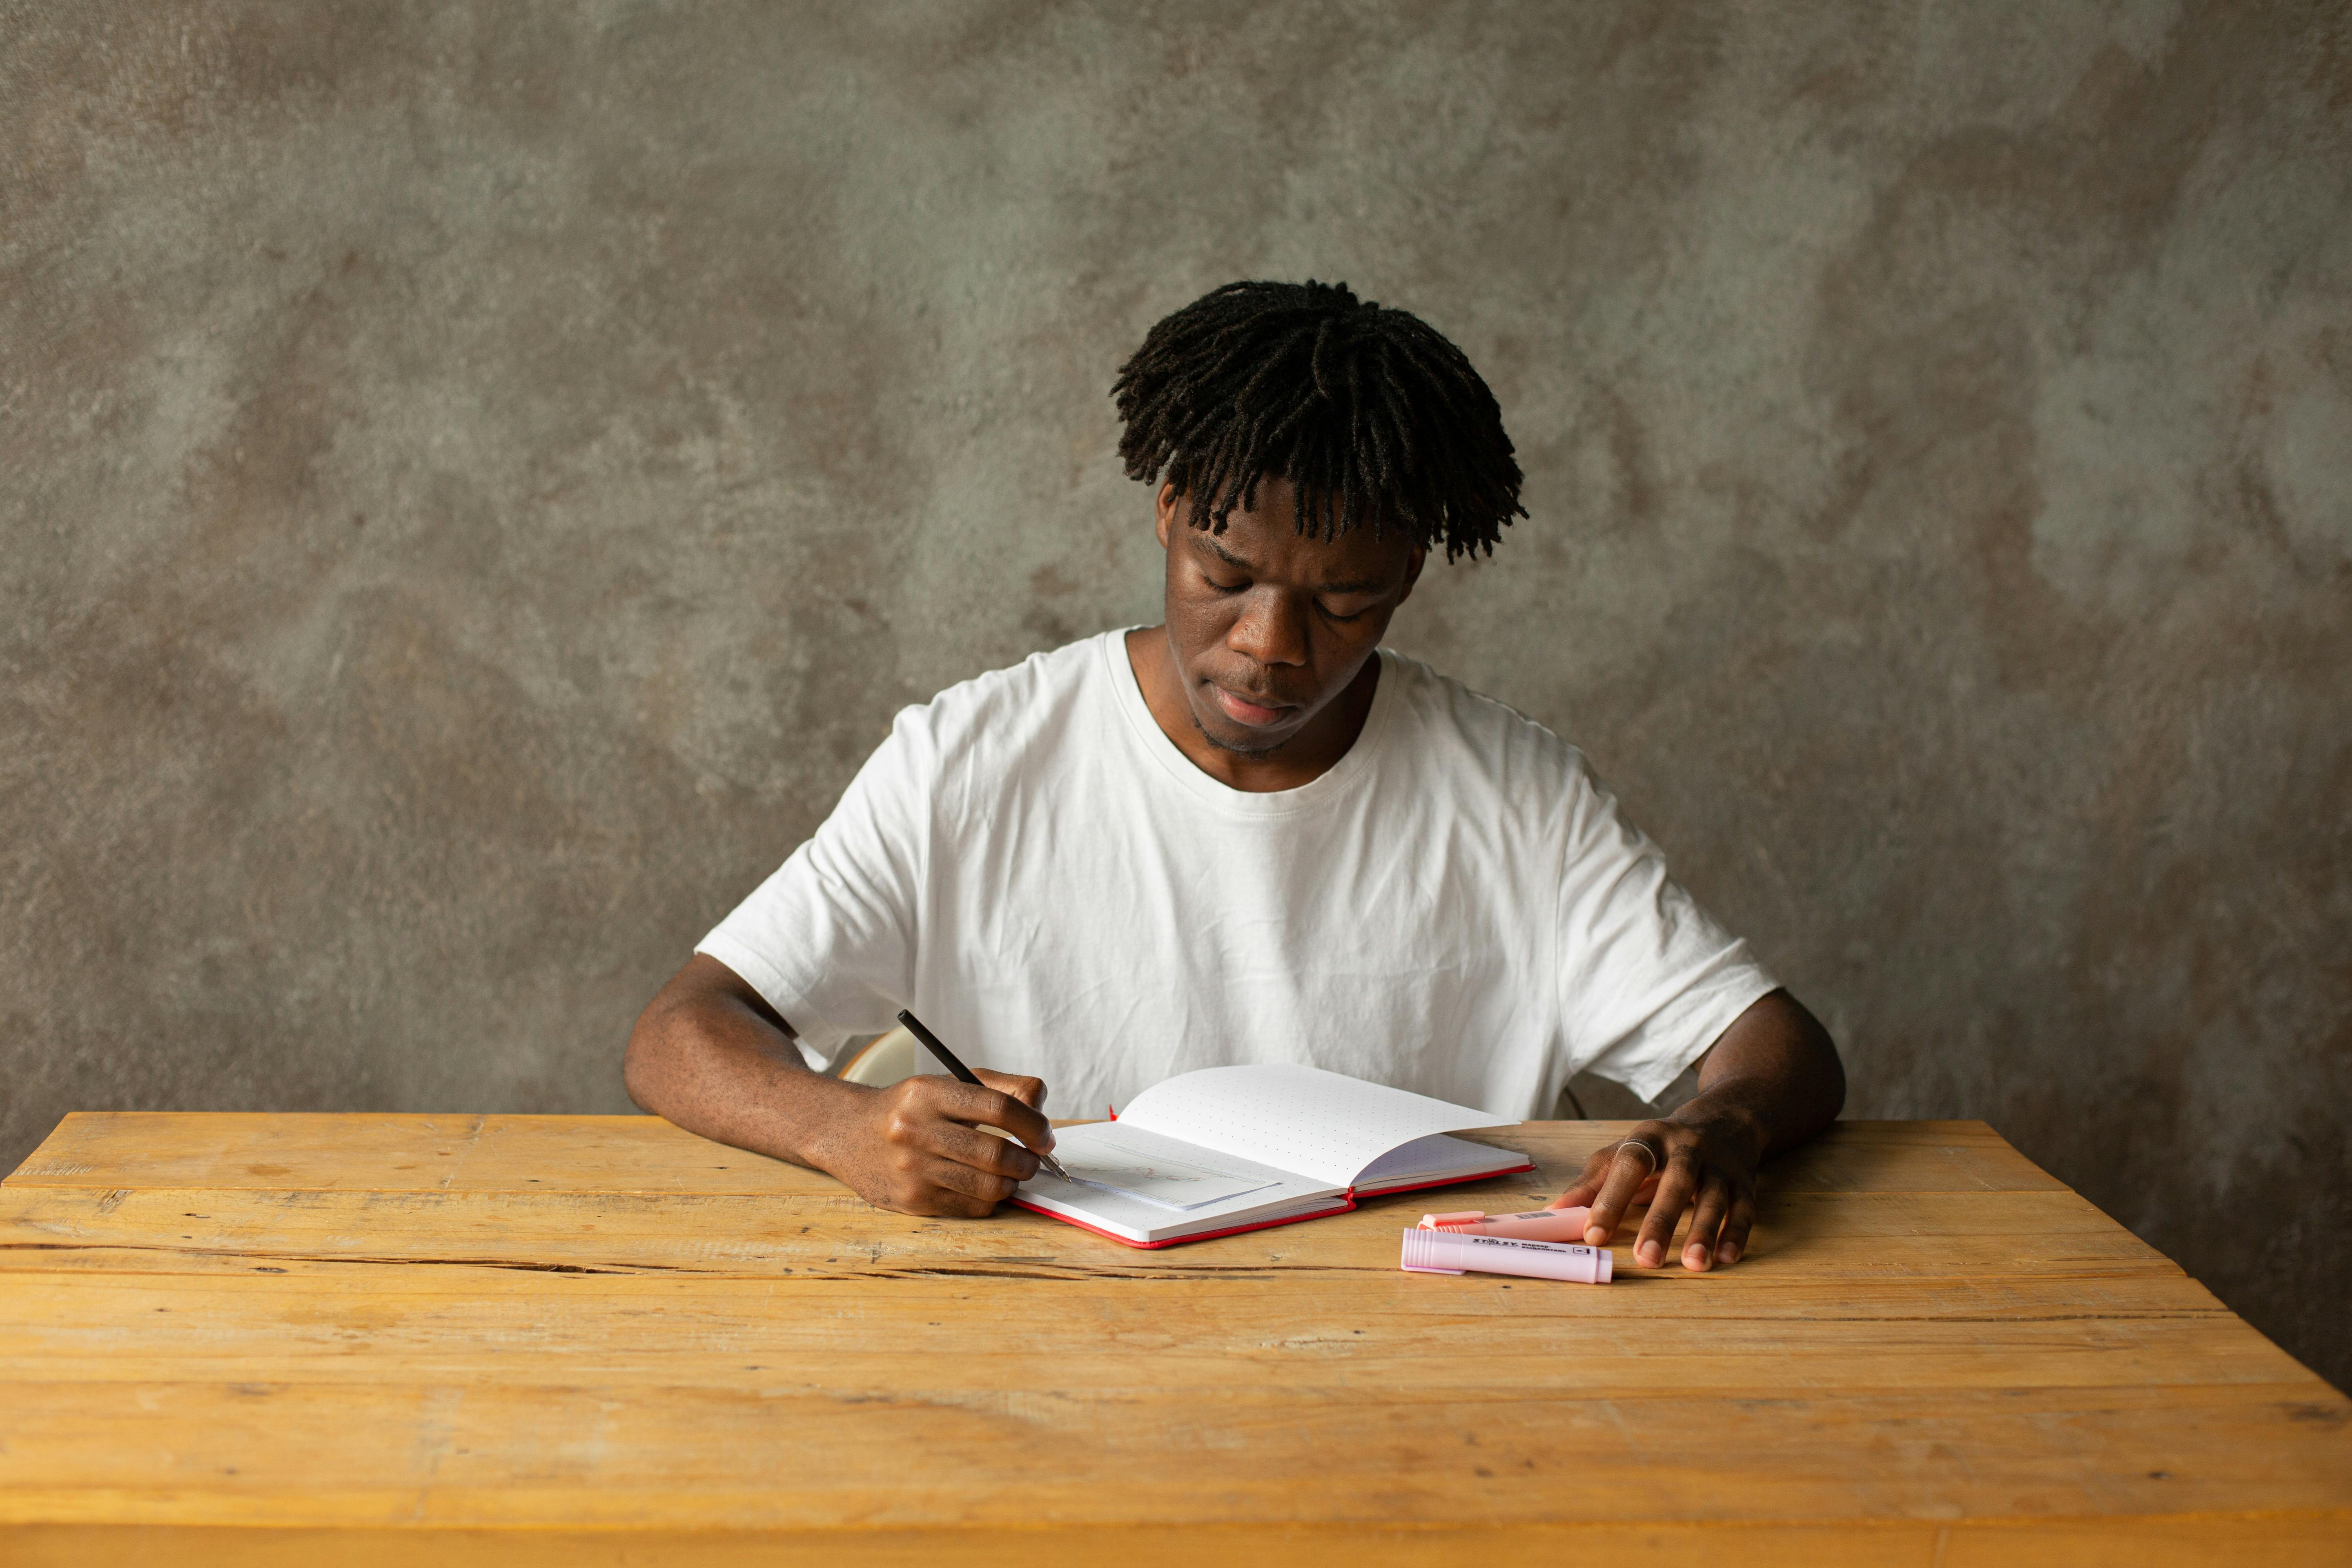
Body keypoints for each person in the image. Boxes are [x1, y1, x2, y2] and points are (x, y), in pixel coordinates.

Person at [624, 279, 1845, 1272]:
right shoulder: (971, 760)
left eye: (1344, 599)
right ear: (1166, 513)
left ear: (1411, 573)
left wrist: (1714, 1131)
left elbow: (1771, 1044)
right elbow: (685, 1029)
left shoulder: (1514, 796)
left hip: (1416, 1373)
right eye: (1226, 576)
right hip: (1024, 1360)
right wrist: (840, 1128)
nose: (1271, 644)